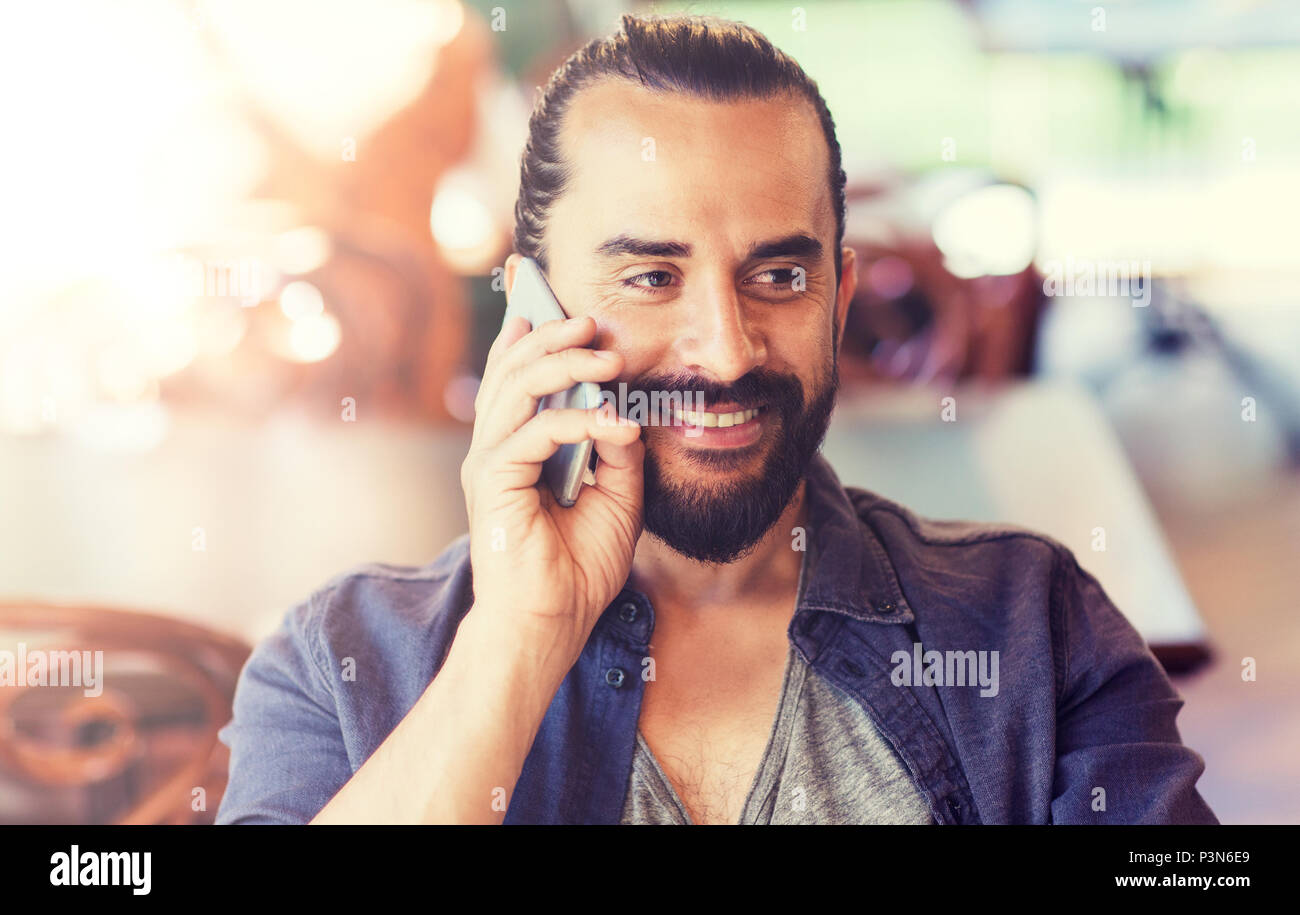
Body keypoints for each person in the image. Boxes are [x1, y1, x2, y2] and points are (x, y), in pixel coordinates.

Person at [216, 13, 1217, 825]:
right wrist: (518, 638)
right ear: (533, 308)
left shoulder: (1030, 628)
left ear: (838, 292)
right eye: (651, 275)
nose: (727, 350)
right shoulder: (342, 666)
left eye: (779, 274)